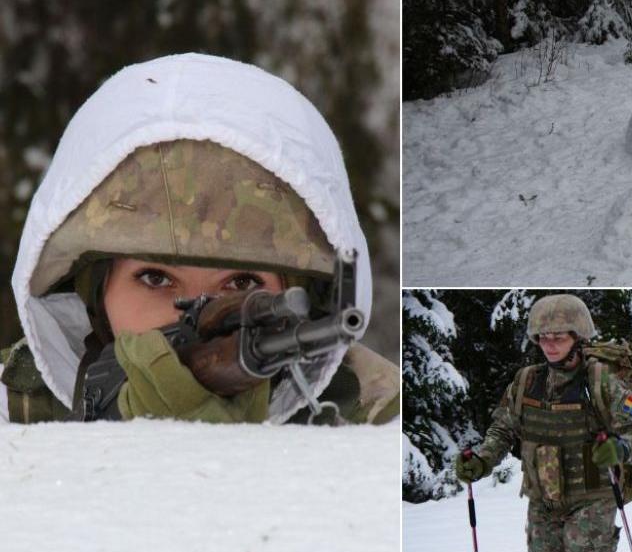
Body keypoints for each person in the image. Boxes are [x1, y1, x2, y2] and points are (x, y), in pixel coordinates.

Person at [2, 53, 398, 425]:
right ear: (94, 294)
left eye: (242, 283)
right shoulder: (12, 408)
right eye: (155, 278)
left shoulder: (380, 417)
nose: (189, 317)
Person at [455, 294, 632, 552]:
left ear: (578, 338)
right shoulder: (527, 380)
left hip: (592, 497)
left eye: (558, 337)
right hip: (543, 497)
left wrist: (620, 448)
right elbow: (504, 427)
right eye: (543, 338)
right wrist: (482, 459)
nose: (549, 345)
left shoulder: (601, 381)